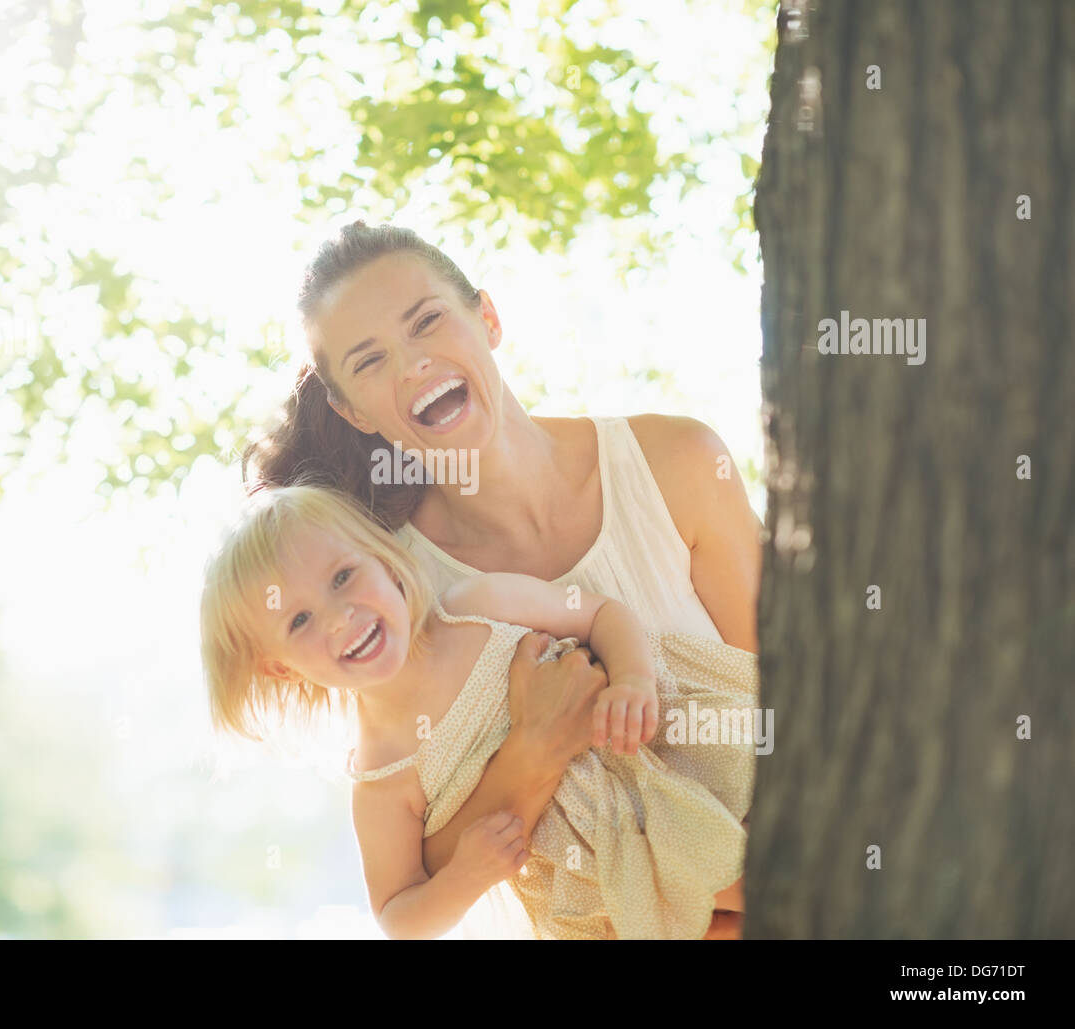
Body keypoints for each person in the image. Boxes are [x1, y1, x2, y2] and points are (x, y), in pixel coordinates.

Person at [244, 221, 763, 937]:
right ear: (352, 410)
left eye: (427, 320)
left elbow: (790, 697)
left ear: (487, 317)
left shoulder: (677, 462)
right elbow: (426, 870)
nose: (413, 365)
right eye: (370, 362)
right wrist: (534, 746)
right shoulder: (387, 589)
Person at [200, 485, 757, 939]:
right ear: (282, 669)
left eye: (344, 576)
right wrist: (459, 880)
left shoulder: (475, 609)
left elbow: (601, 615)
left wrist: (633, 678)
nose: (340, 617)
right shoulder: (382, 778)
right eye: (299, 621)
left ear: (384, 559)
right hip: (602, 875)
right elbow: (398, 913)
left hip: (661, 749)